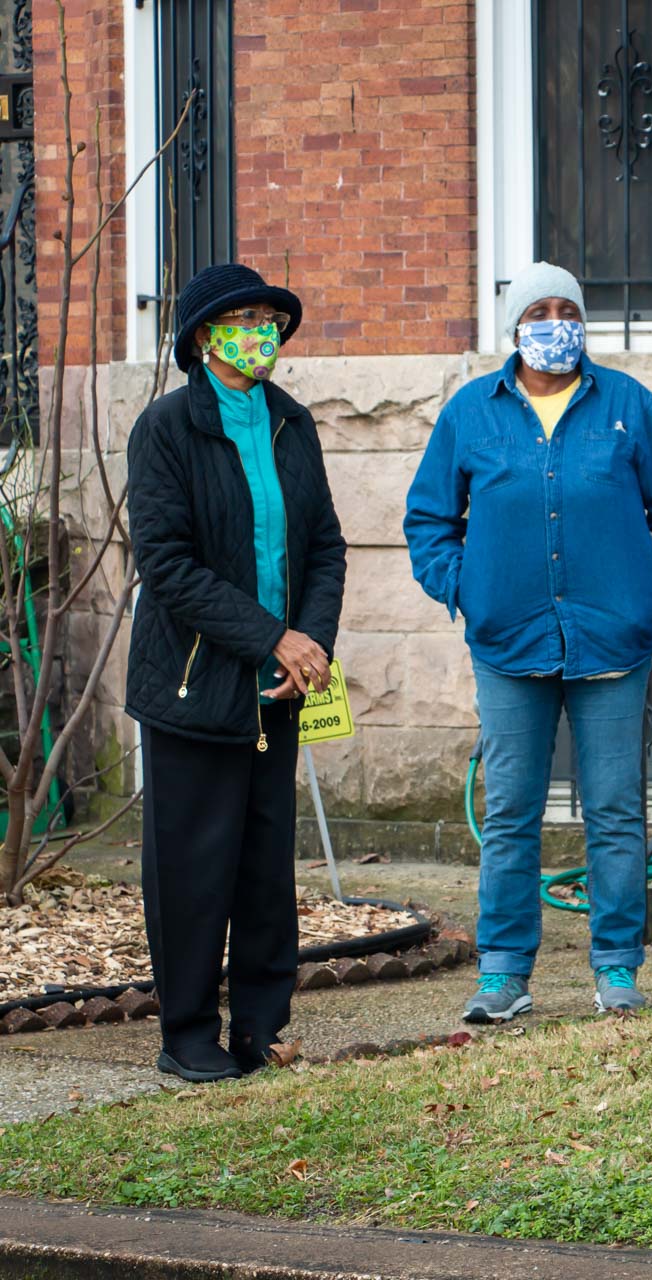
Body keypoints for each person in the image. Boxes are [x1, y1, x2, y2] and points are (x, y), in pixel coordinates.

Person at [404, 263, 652, 1024]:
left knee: (613, 811)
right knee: (510, 812)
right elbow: (428, 519)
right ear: (514, 326)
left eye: (565, 309)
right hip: (508, 641)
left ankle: (617, 968)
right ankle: (504, 972)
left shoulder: (629, 407)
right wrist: (463, 586)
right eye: (538, 311)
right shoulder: (473, 413)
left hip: (613, 641)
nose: (553, 323)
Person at [126, 263, 347, 1083]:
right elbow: (169, 566)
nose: (261, 332)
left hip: (278, 691)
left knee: (263, 867)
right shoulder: (166, 429)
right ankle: (186, 1034)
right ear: (202, 339)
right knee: (191, 868)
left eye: (267, 318)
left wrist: (310, 644)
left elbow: (323, 546)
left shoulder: (292, 423)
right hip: (192, 689)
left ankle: (261, 1026)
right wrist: (269, 640)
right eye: (242, 319)